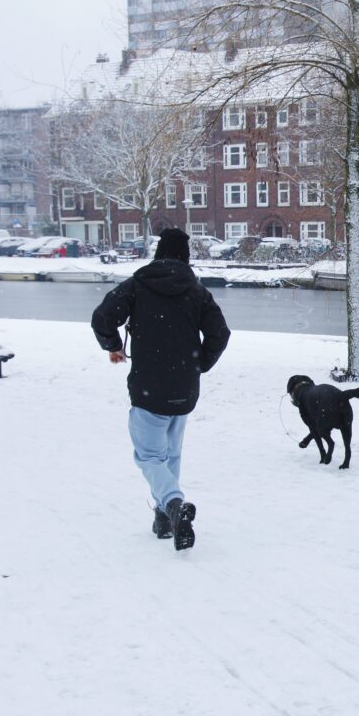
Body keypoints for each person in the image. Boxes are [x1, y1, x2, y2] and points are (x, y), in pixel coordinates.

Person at [91, 228, 230, 550]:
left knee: (150, 456)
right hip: (184, 387)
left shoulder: (137, 286)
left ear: (158, 252)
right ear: (186, 255)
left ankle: (172, 503)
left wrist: (113, 345)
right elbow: (220, 334)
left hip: (148, 386)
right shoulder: (197, 291)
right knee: (171, 453)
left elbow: (103, 317)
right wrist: (200, 364)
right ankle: (164, 518)